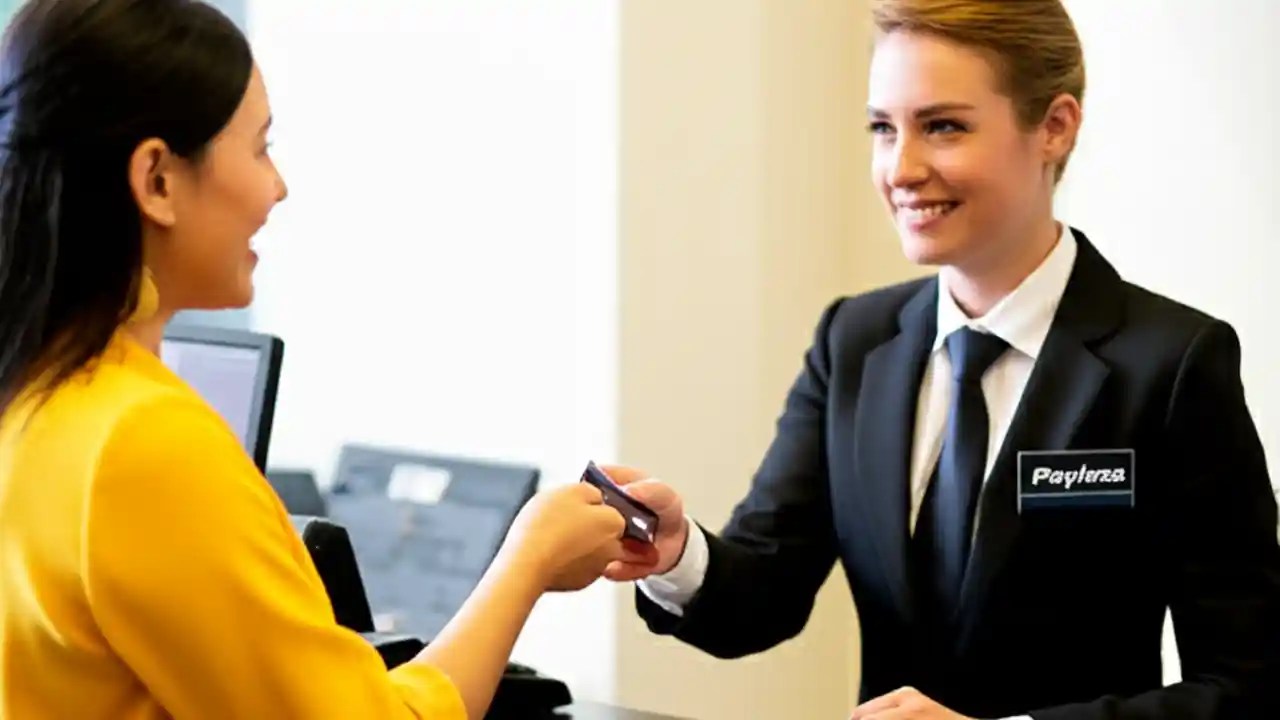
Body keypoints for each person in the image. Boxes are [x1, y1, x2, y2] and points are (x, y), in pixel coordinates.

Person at [603, 1, 1280, 718]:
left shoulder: (1172, 364)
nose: (901, 168)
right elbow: (762, 594)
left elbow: (1247, 687)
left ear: (1054, 126)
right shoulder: (853, 341)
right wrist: (675, 553)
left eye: (944, 127)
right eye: (882, 128)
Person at [0, 1, 639, 718]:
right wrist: (532, 561)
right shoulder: (143, 443)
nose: (277, 187)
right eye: (260, 148)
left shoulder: (35, 398)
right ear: (157, 180)